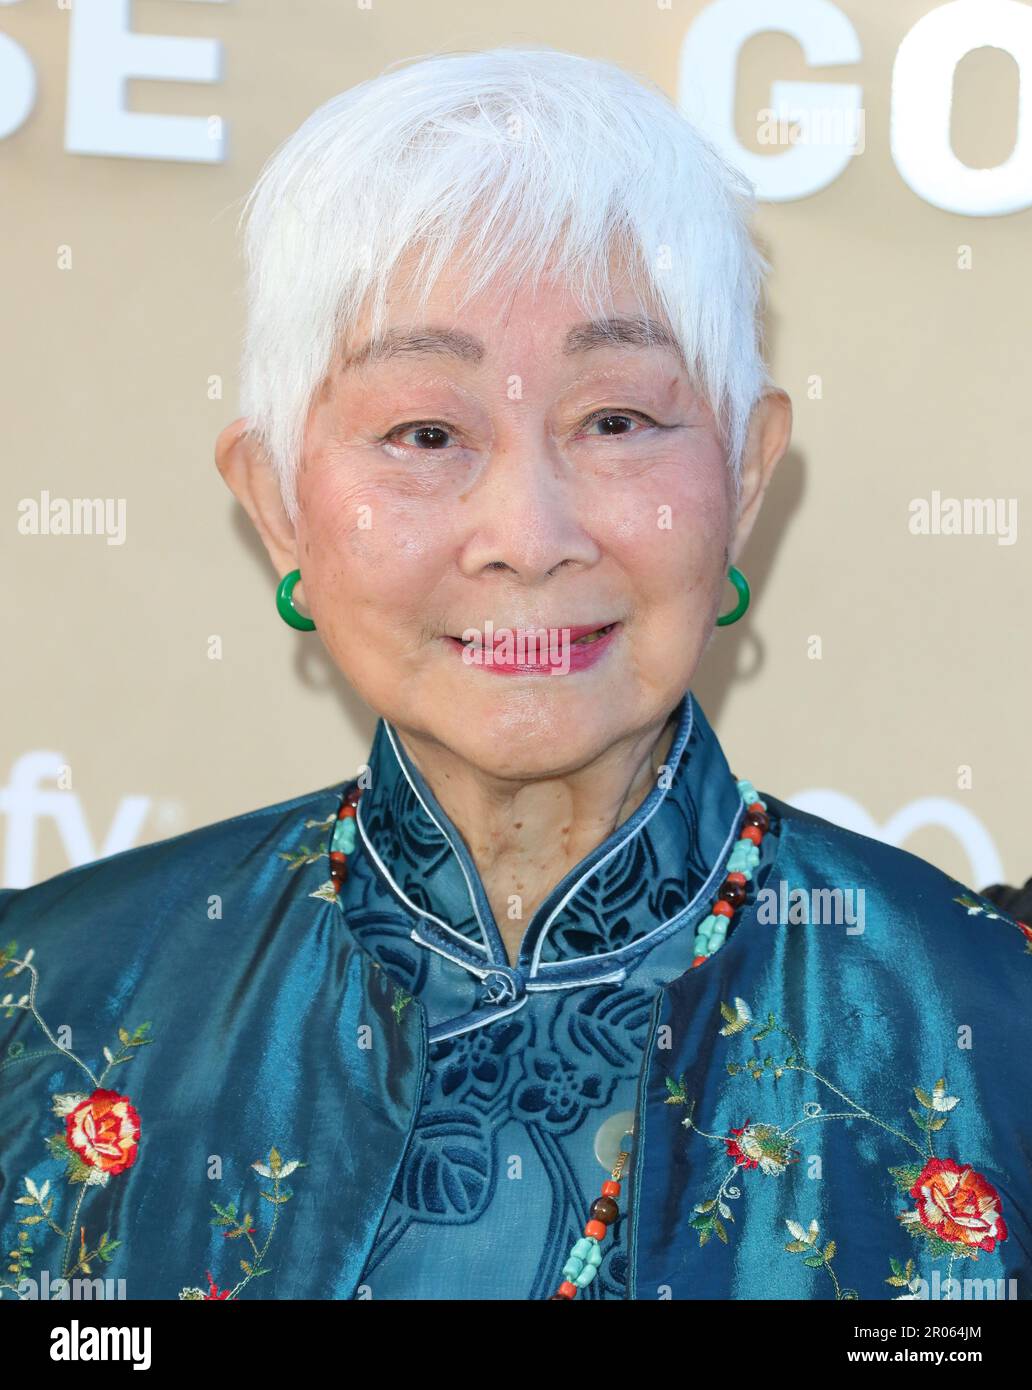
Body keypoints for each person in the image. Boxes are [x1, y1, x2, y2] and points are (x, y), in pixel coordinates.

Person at [1, 47, 1028, 1303]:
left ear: (746, 476)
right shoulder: (44, 1010)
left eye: (616, 422)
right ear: (275, 503)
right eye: (424, 433)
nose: (529, 535)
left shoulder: (988, 1027)